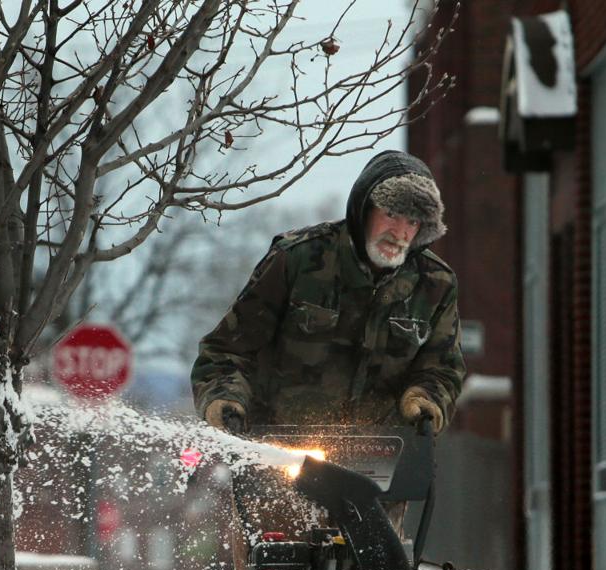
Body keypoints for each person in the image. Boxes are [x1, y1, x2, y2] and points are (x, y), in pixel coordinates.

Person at [191, 150, 465, 434]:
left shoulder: (436, 284)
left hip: (382, 455)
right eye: (392, 214)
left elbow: (443, 370)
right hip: (277, 448)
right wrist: (225, 399)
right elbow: (226, 351)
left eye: (413, 221)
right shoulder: (297, 259)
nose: (400, 232)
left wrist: (424, 399)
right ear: (363, 209)